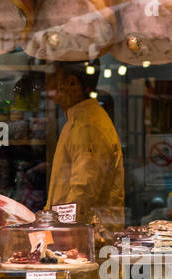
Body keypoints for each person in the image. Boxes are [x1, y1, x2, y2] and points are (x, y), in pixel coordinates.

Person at [44, 62, 125, 226]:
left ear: (72, 83)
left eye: (53, 76)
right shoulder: (78, 120)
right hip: (75, 236)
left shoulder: (87, 125)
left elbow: (83, 193)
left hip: (86, 240)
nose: (47, 84)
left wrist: (63, 233)